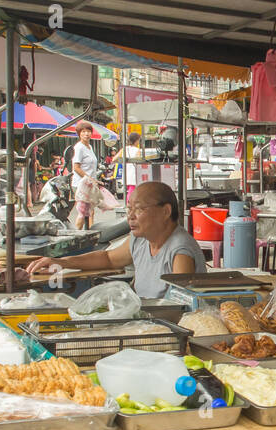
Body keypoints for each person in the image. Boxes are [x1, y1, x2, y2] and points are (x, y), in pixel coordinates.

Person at [26, 181, 205, 298]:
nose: (131, 216)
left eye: (139, 209)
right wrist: (60, 262)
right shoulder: (141, 240)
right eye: (129, 209)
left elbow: (181, 303)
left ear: (166, 211)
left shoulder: (180, 251)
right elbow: (109, 258)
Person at [69, 122, 100, 230]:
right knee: (83, 212)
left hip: (89, 184)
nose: (86, 134)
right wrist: (89, 179)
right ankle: (76, 235)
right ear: (79, 134)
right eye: (83, 132)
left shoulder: (89, 147)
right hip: (81, 184)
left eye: (88, 131)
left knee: (91, 212)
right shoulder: (79, 147)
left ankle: (91, 234)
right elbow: (76, 167)